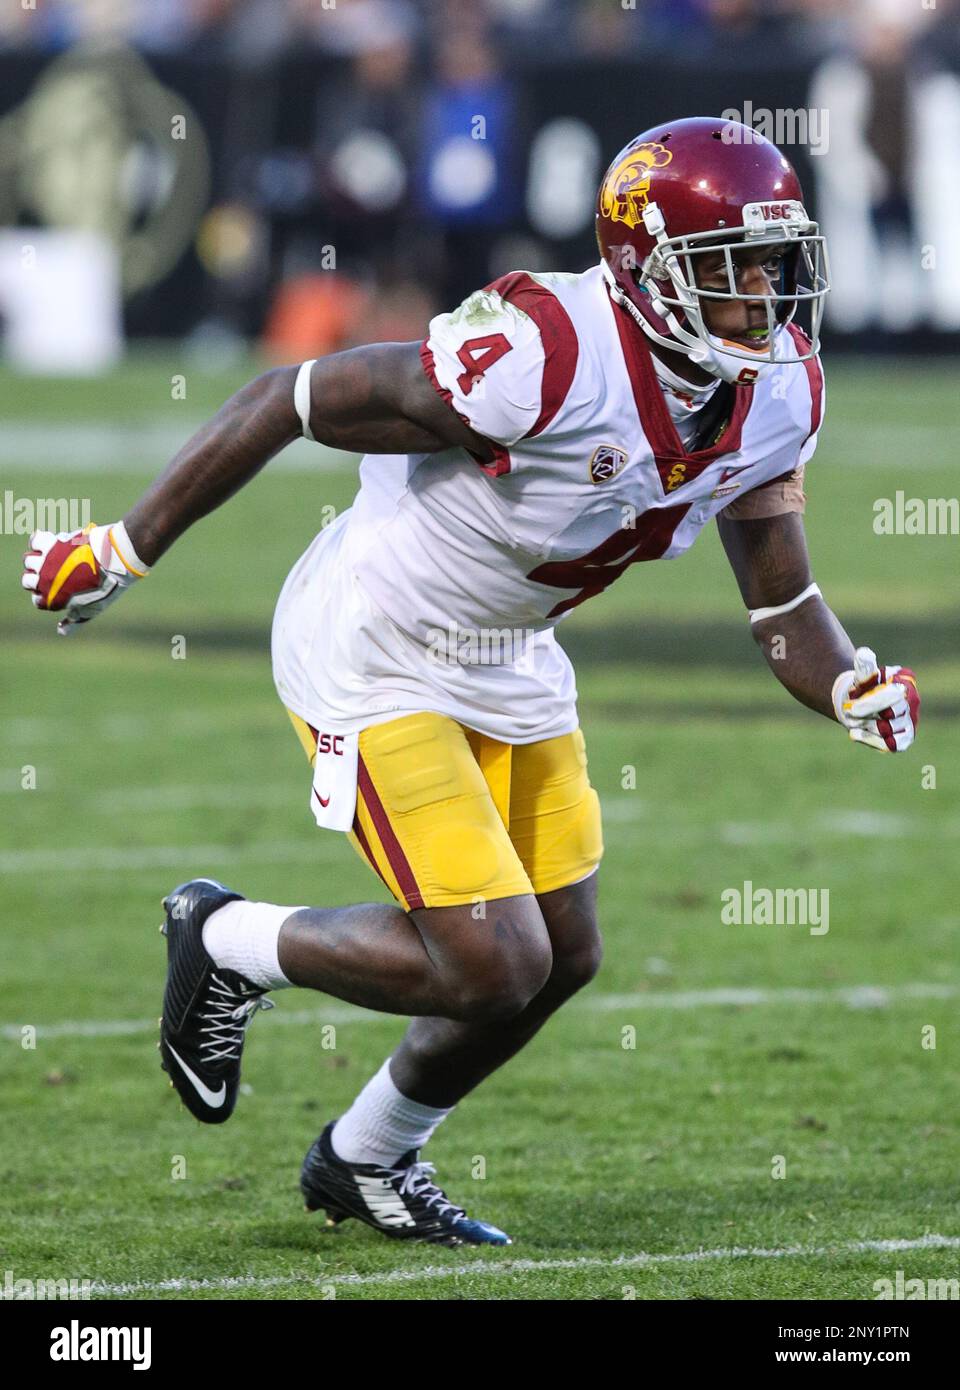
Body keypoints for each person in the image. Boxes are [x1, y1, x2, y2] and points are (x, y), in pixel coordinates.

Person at [22, 117, 920, 1248]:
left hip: (513, 652)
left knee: (564, 956)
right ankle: (227, 939)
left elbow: (782, 603)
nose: (765, 295)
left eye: (775, 263)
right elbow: (287, 396)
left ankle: (367, 1156)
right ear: (647, 268)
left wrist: (844, 685)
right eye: (732, 267)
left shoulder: (776, 394)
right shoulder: (544, 351)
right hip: (378, 637)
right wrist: (123, 545)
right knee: (494, 963)